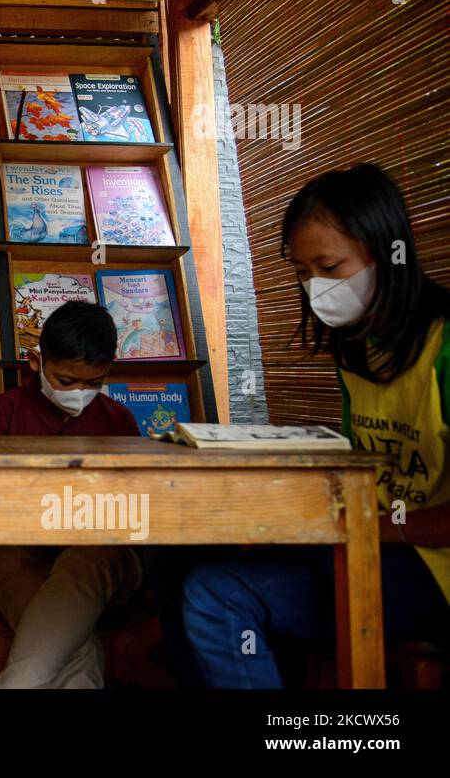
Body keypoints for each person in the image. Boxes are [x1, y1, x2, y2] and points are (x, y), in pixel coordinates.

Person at [183, 163, 450, 687]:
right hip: (378, 549)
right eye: (304, 273)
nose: (316, 289)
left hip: (432, 572)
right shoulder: (359, 350)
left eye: (329, 266)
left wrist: (369, 530)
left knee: (220, 595)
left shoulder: (442, 348)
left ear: (386, 251)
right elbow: (362, 476)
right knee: (192, 555)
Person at [0, 300, 143, 688]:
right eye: (67, 381)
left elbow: (135, 508)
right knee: (76, 646)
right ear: (36, 362)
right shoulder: (2, 415)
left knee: (86, 562)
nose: (80, 393)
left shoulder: (119, 421)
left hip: (104, 558)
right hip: (22, 553)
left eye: (94, 383)